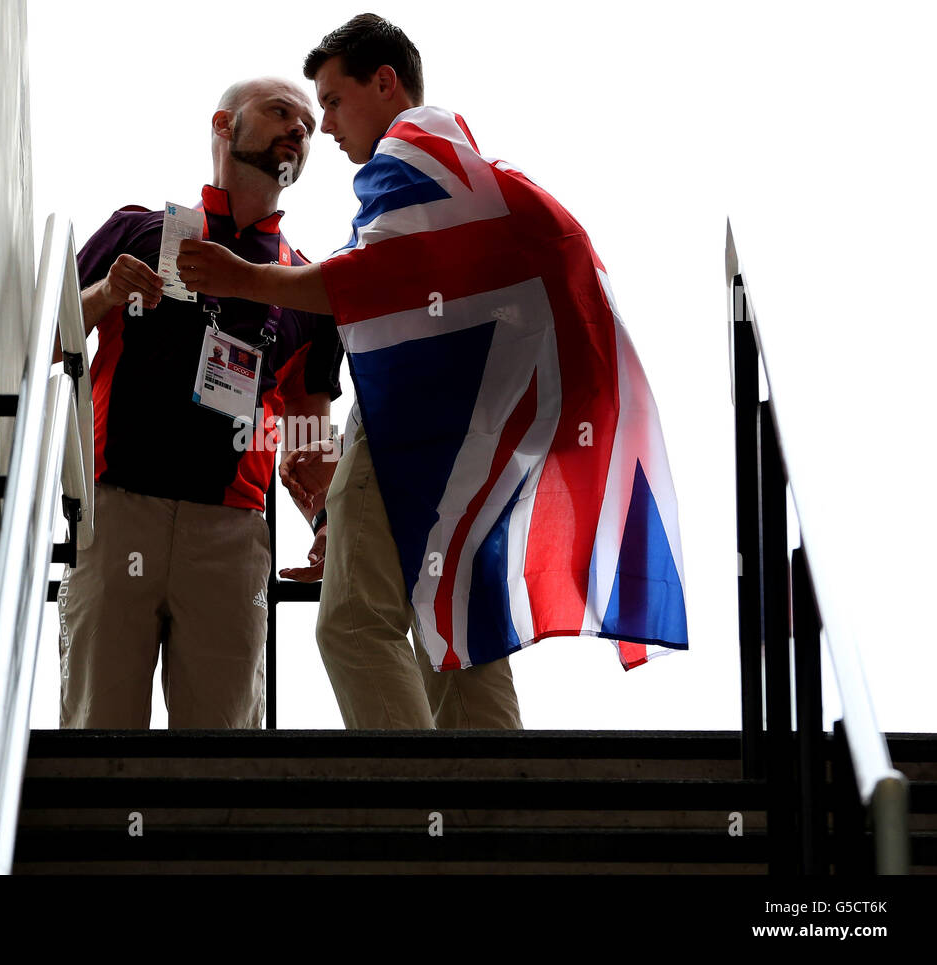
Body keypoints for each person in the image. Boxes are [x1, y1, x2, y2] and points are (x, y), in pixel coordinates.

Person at [176, 15, 689, 730]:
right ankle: (487, 824)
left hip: (408, 429)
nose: (323, 126)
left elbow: (370, 275)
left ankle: (413, 808)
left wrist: (246, 278)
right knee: (457, 640)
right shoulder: (454, 164)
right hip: (463, 448)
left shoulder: (412, 152)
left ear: (384, 83)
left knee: (352, 623)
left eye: (330, 100)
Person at [57, 77, 343, 729]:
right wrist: (103, 295)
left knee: (224, 762)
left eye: (308, 124)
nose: (300, 128)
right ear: (223, 125)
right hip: (116, 510)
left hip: (231, 533)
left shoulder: (307, 285)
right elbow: (38, 344)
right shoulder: (139, 229)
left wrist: (328, 523)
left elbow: (307, 432)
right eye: (280, 112)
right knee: (98, 738)